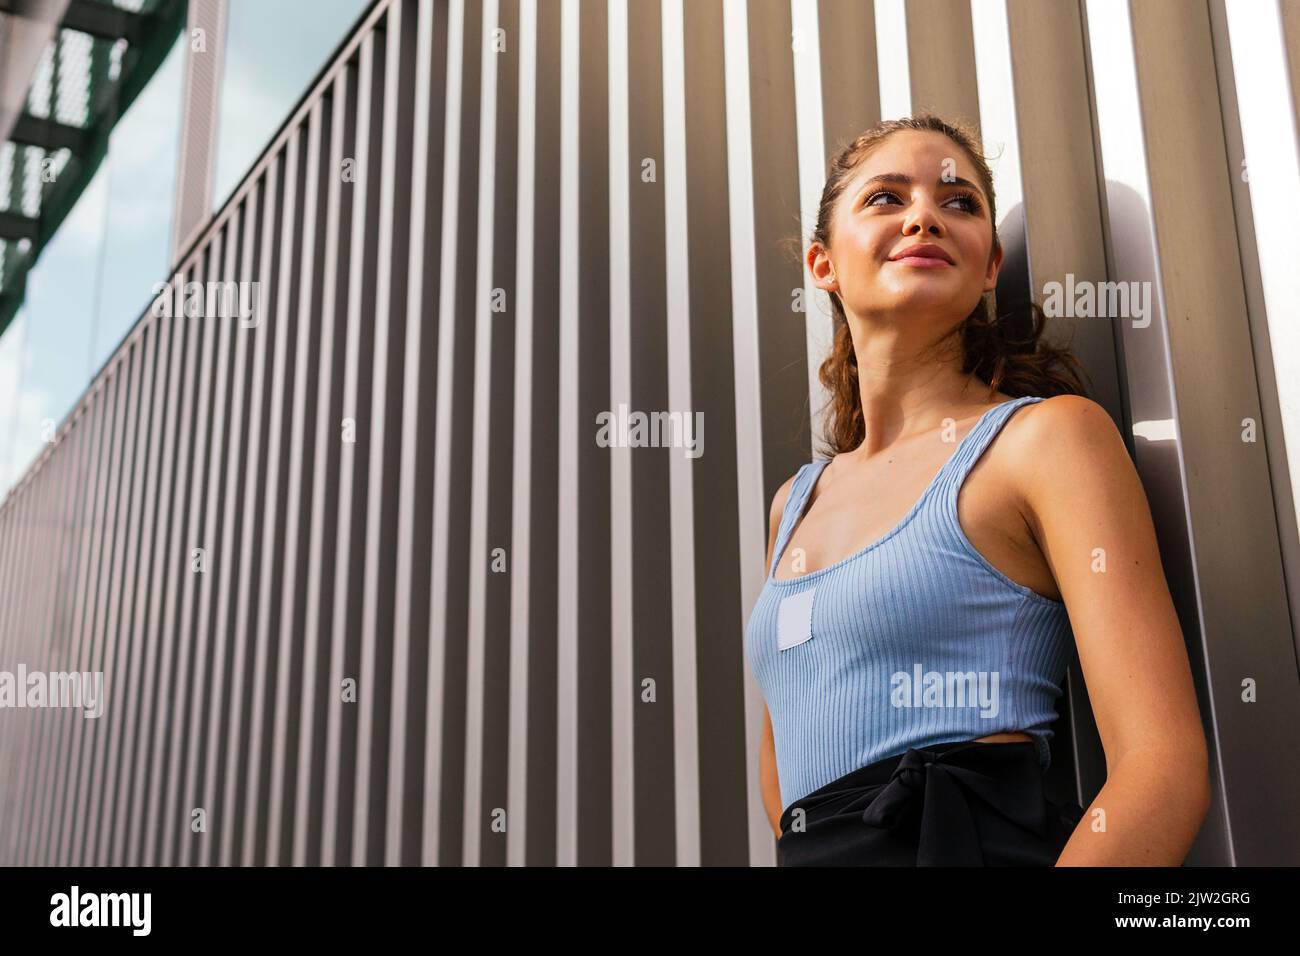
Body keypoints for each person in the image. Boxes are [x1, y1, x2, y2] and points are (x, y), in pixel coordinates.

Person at [743, 114, 1209, 866]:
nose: (925, 214)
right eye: (886, 198)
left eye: (958, 202)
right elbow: (786, 778)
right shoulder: (794, 502)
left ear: (989, 264)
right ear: (823, 264)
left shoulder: (1047, 441)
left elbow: (1163, 771)